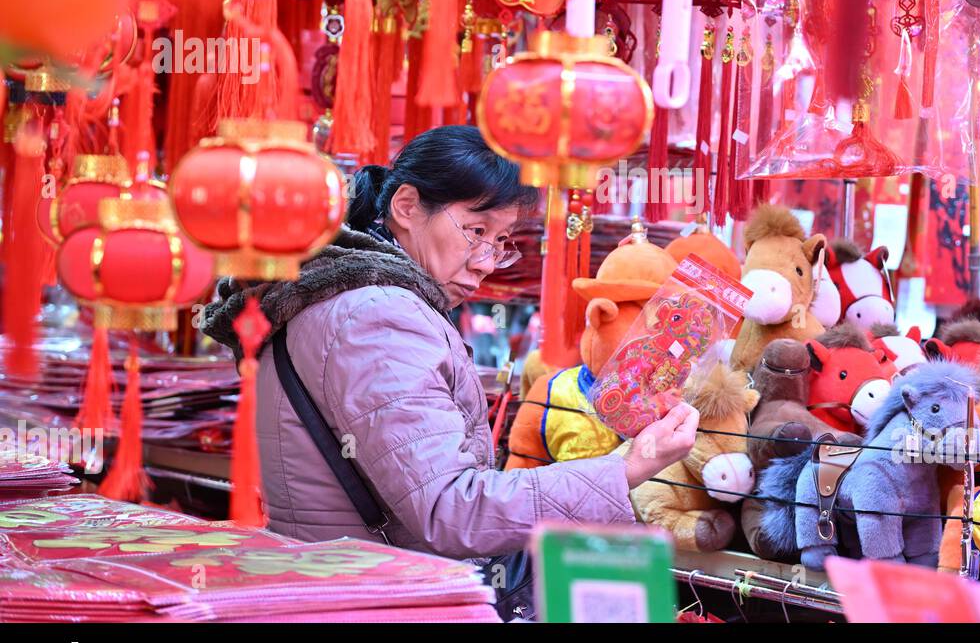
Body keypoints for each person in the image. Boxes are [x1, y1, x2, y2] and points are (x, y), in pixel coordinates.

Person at [202, 125, 698, 560]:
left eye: (502, 242)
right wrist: (625, 467)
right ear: (407, 207)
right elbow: (449, 510)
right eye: (476, 230)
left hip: (340, 581)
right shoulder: (377, 315)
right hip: (378, 596)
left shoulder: (333, 292)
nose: (486, 259)